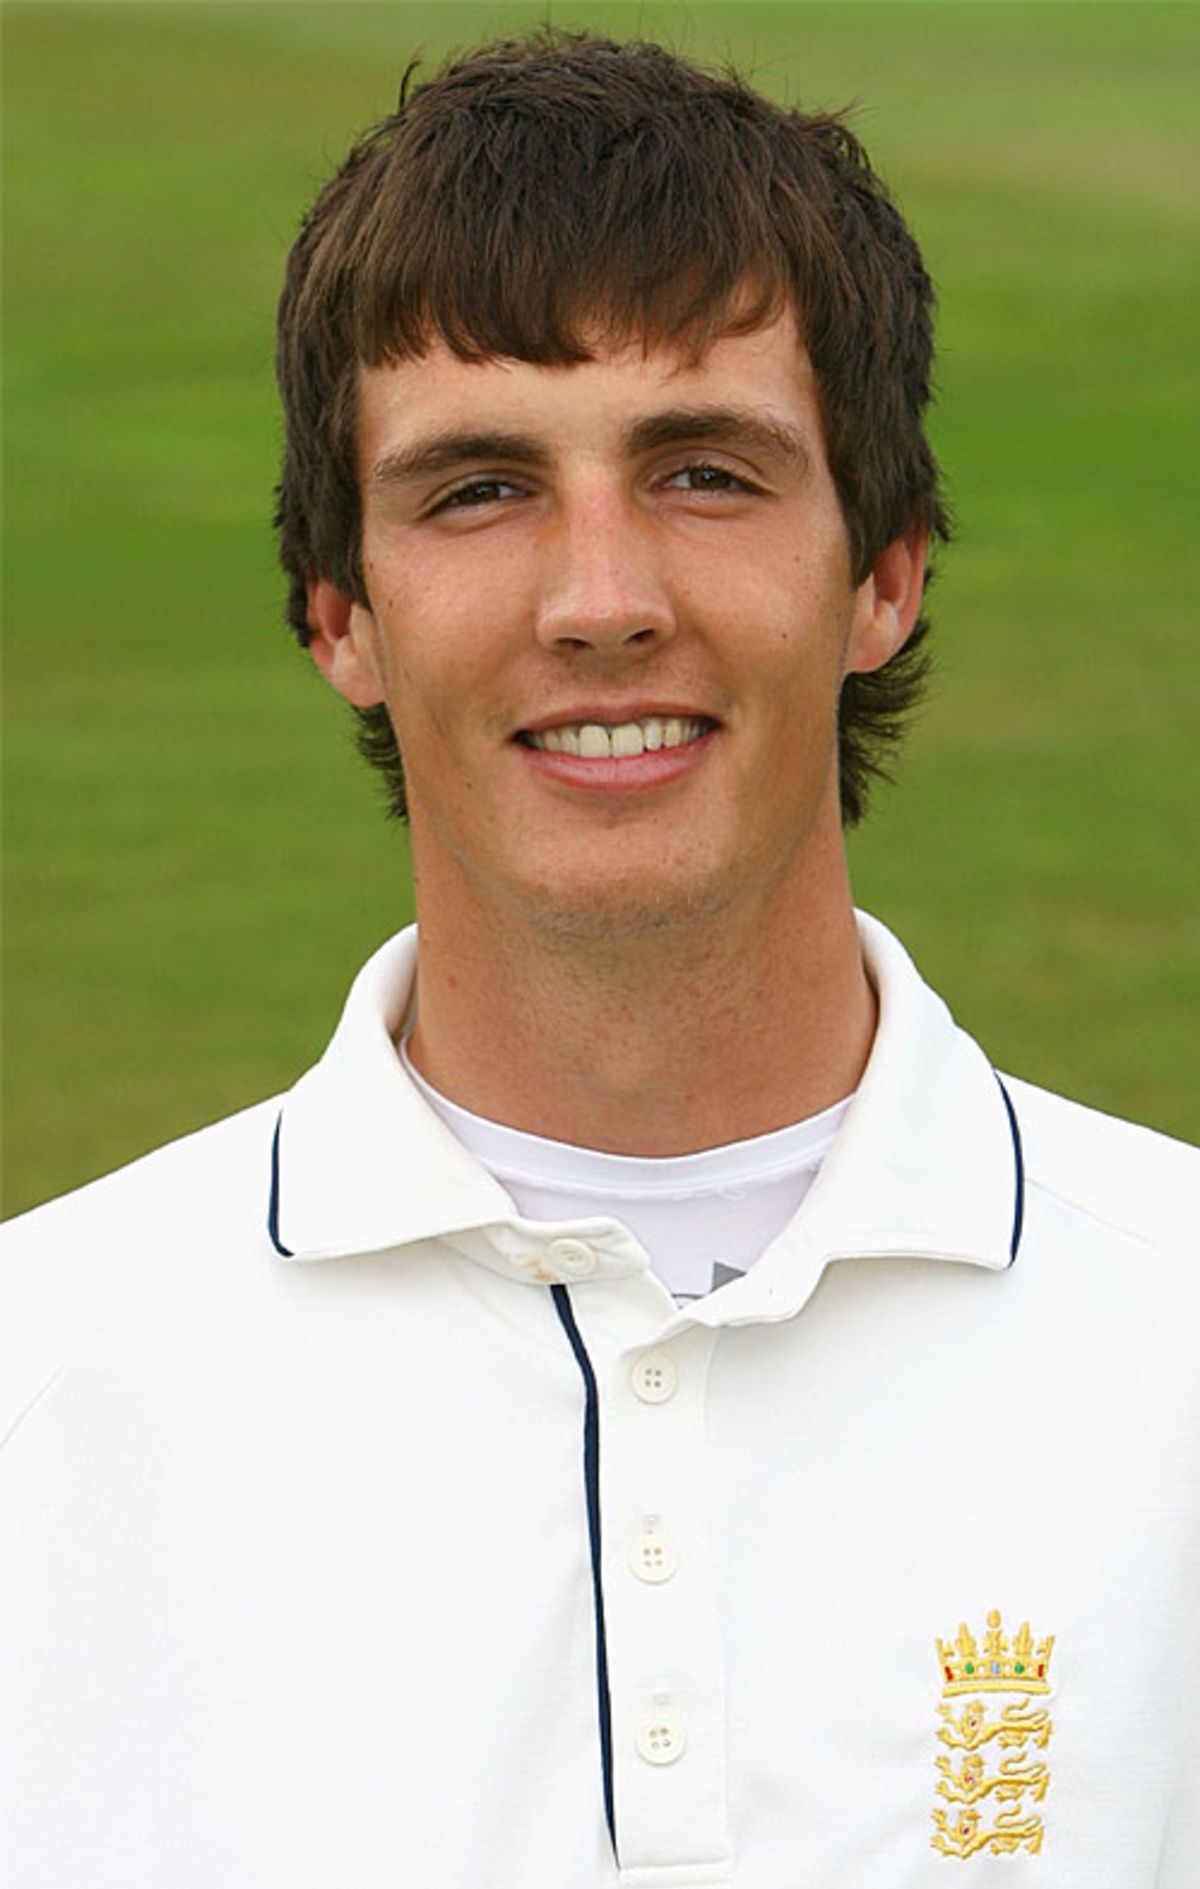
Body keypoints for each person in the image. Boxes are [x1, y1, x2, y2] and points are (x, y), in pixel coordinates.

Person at [2, 31, 1196, 1888]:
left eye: (705, 471)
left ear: (885, 571)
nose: (601, 597)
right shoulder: (38, 1399)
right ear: (343, 616)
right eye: (477, 490)